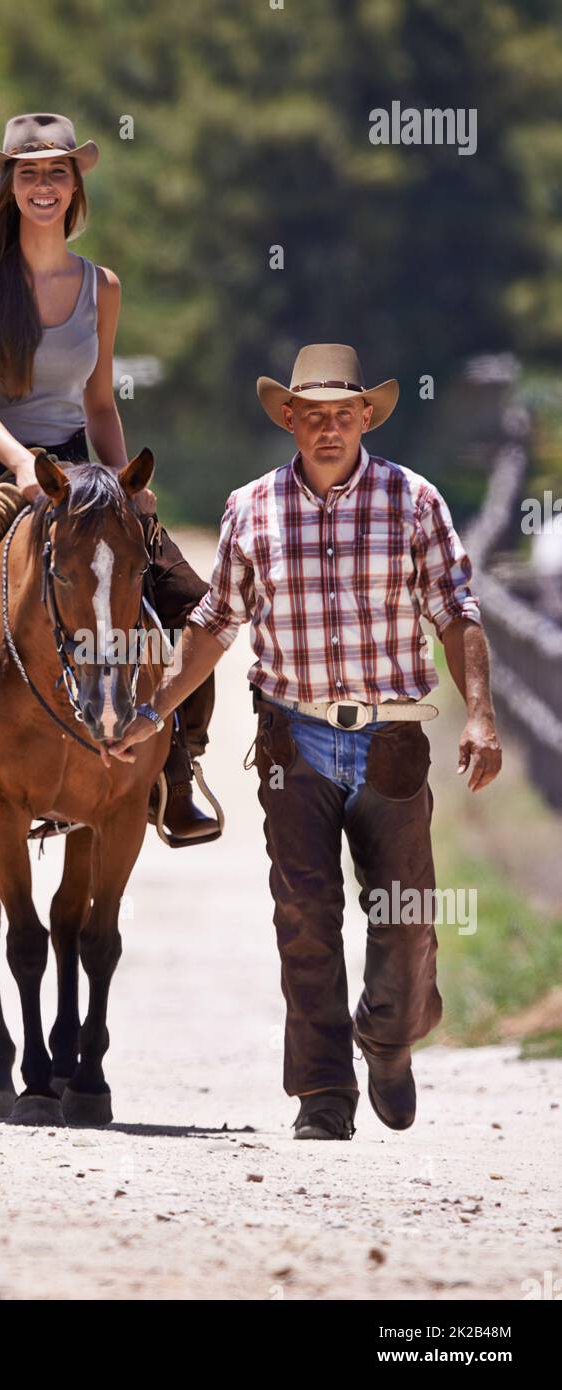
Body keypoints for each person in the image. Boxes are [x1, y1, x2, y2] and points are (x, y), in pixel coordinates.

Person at [102, 343, 503, 1140]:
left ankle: (387, 1042)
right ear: (288, 418)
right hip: (292, 743)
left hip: (390, 739)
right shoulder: (249, 507)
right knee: (304, 917)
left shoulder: (411, 499)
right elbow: (215, 624)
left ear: (364, 418)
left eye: (342, 416)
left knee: (404, 914)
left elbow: (455, 613)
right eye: (311, 416)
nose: (327, 430)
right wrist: (150, 713)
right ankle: (322, 1094)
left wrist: (481, 716)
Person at [0, 113, 219, 857]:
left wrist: (126, 487)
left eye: (57, 172)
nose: (44, 186)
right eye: (29, 173)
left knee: (190, 602)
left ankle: (178, 767)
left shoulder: (102, 285)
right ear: (10, 184)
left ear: (75, 184)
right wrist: (22, 467)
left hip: (80, 477)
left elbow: (97, 405)